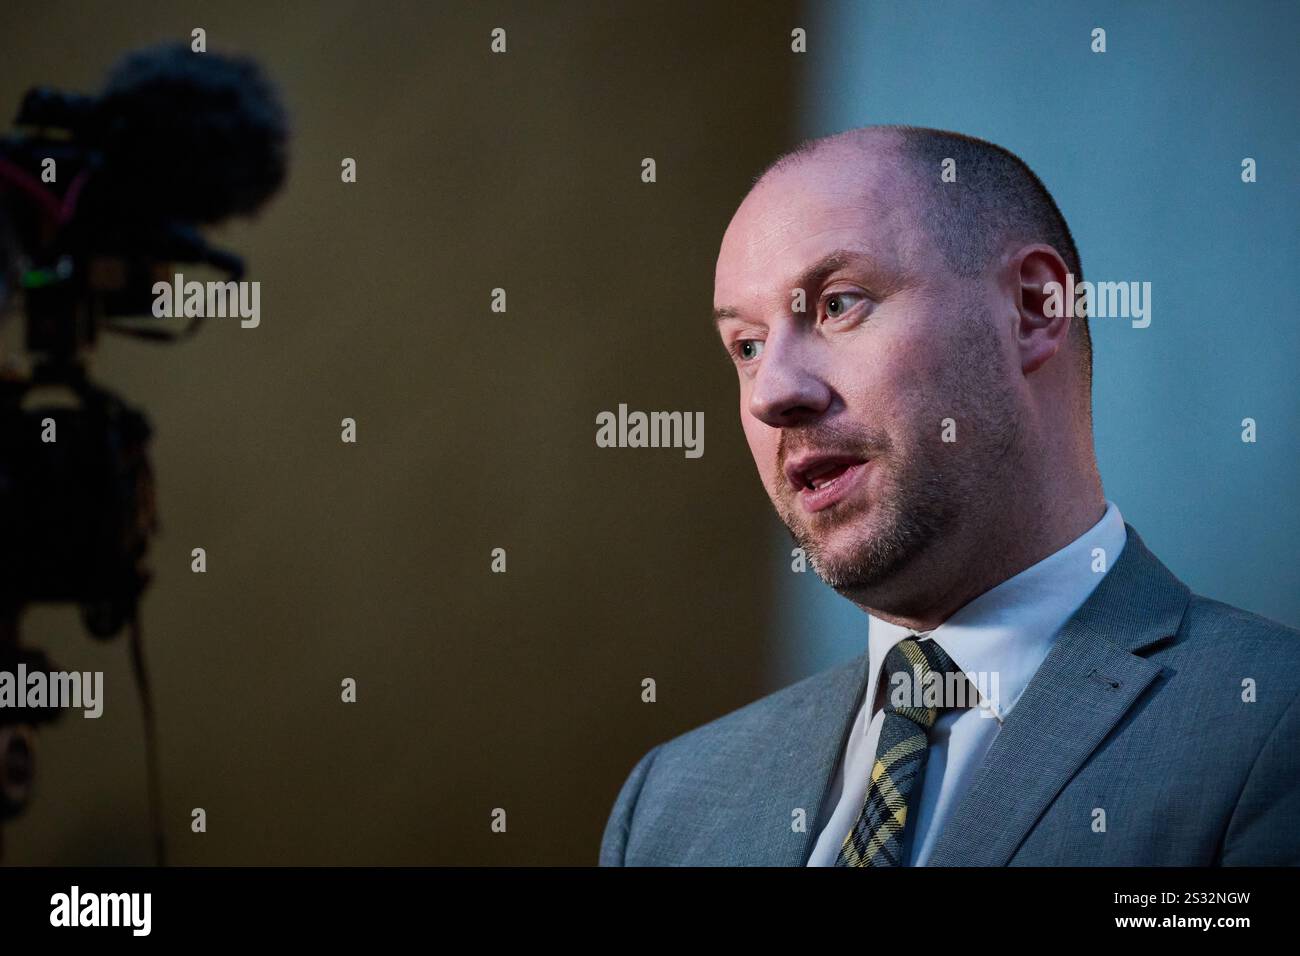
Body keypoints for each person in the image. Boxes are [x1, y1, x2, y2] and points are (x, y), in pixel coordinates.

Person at [599, 126, 1300, 866]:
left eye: (838, 304)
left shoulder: (1267, 725)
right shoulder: (671, 805)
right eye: (746, 346)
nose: (773, 392)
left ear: (1032, 308)